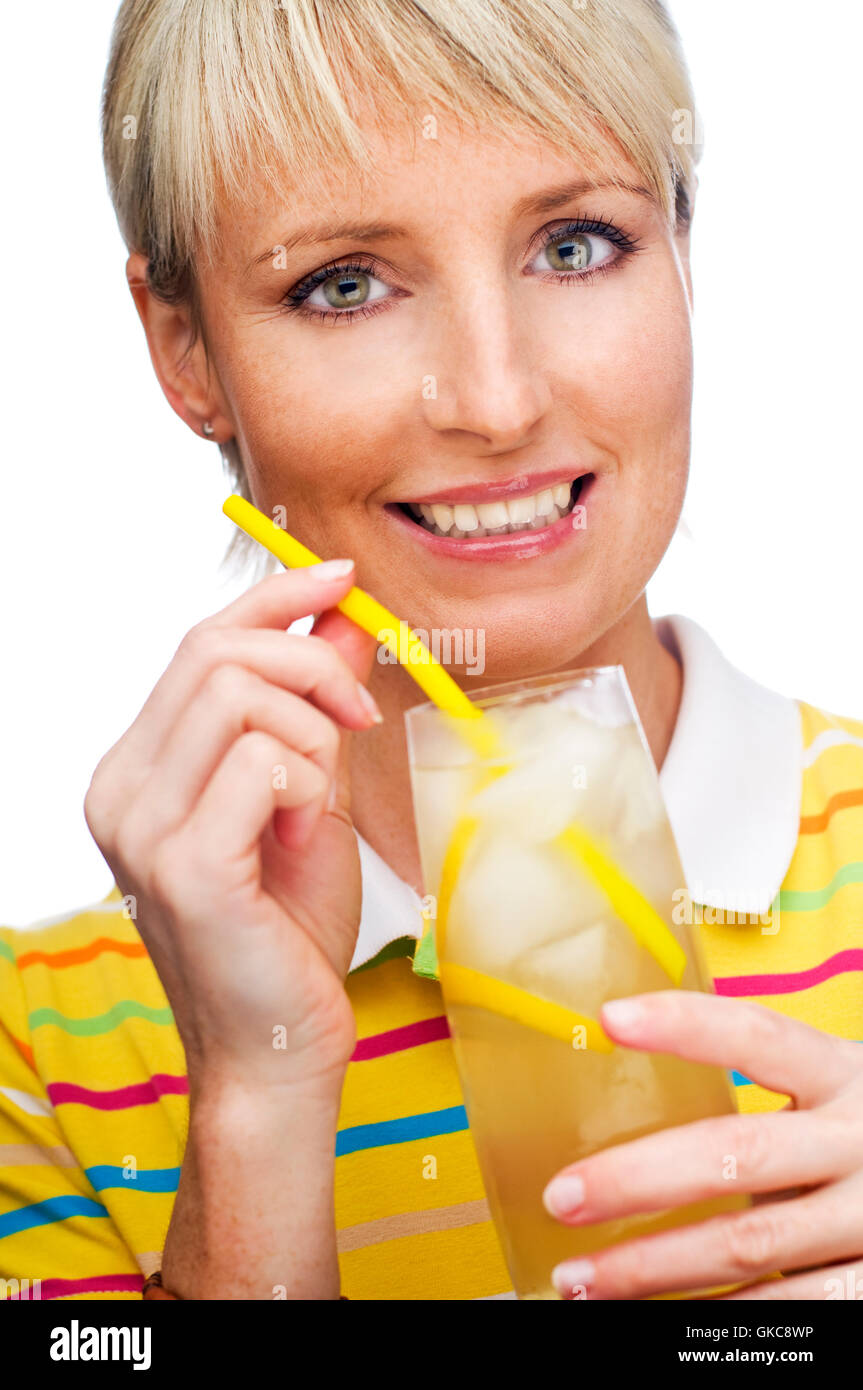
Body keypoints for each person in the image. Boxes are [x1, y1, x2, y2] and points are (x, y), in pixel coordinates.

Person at [2, 0, 862, 1302]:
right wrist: (257, 1105)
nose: (496, 399)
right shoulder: (38, 1062)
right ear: (186, 349)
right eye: (344, 285)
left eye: (576, 245)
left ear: (682, 245)